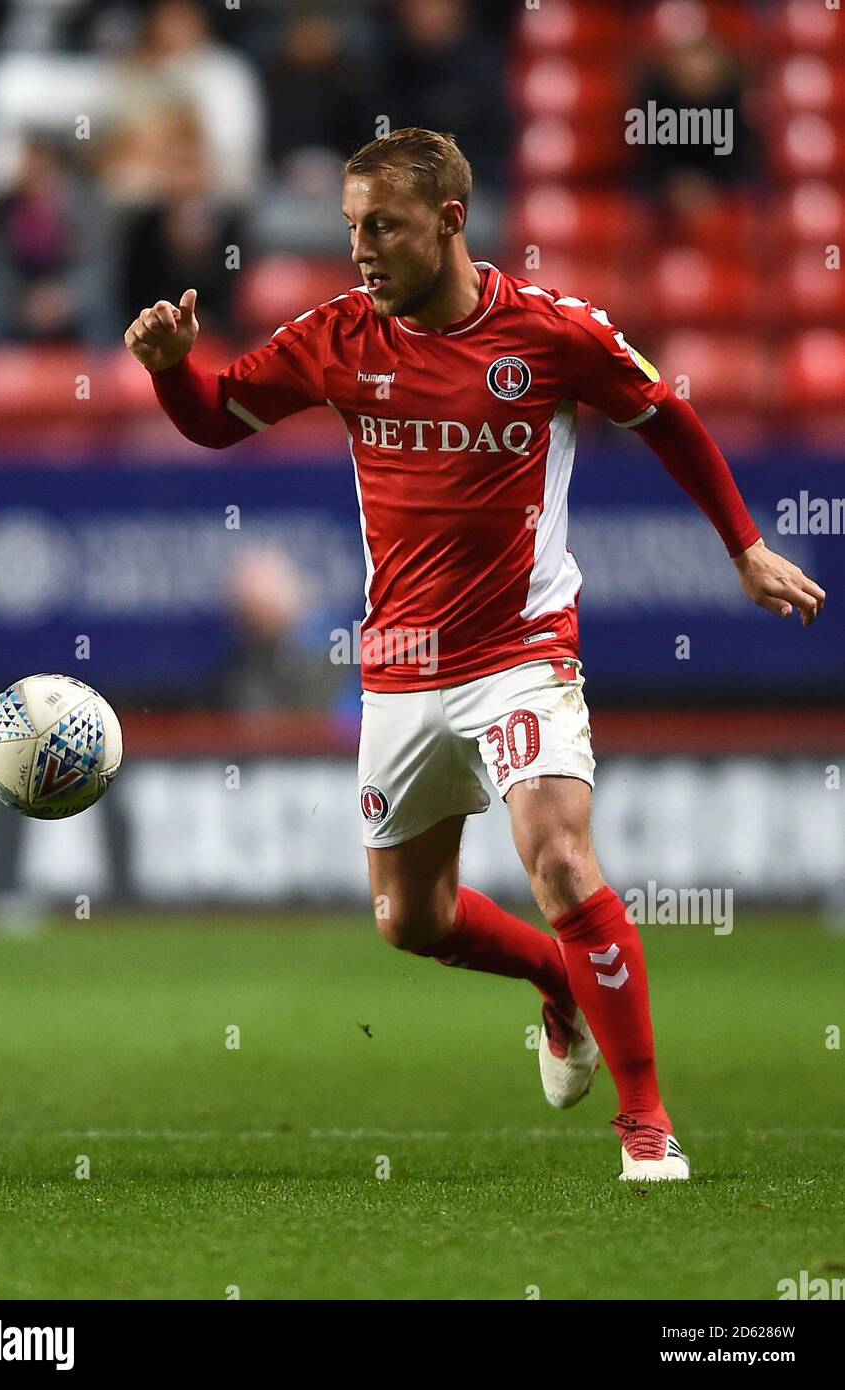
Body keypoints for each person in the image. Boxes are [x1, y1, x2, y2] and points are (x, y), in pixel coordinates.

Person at [124, 128, 825, 1181]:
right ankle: (557, 981)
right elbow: (220, 418)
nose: (361, 249)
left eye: (384, 227)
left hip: (523, 649)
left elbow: (668, 414)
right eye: (352, 227)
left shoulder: (551, 333)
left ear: (449, 222)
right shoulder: (339, 335)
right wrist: (176, 373)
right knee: (412, 919)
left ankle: (645, 1118)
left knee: (557, 854)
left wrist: (744, 545)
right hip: (400, 662)